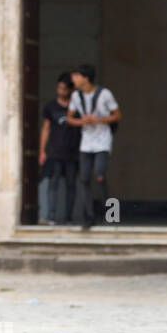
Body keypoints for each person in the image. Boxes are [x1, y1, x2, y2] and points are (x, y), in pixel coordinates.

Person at [67, 64, 120, 231]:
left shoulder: (104, 94)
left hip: (102, 141)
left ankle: (112, 213)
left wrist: (98, 119)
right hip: (86, 142)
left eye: (76, 75)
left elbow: (117, 115)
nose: (73, 79)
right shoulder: (76, 96)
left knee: (99, 175)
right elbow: (69, 118)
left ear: (86, 78)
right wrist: (82, 121)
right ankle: (88, 217)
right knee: (83, 178)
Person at [39, 72, 80, 225]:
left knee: (71, 184)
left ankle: (68, 217)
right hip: (55, 151)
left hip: (73, 151)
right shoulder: (50, 107)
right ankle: (51, 215)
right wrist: (43, 150)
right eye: (59, 88)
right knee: (53, 183)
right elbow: (45, 128)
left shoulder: (77, 107)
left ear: (70, 90)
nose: (60, 92)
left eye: (64, 89)